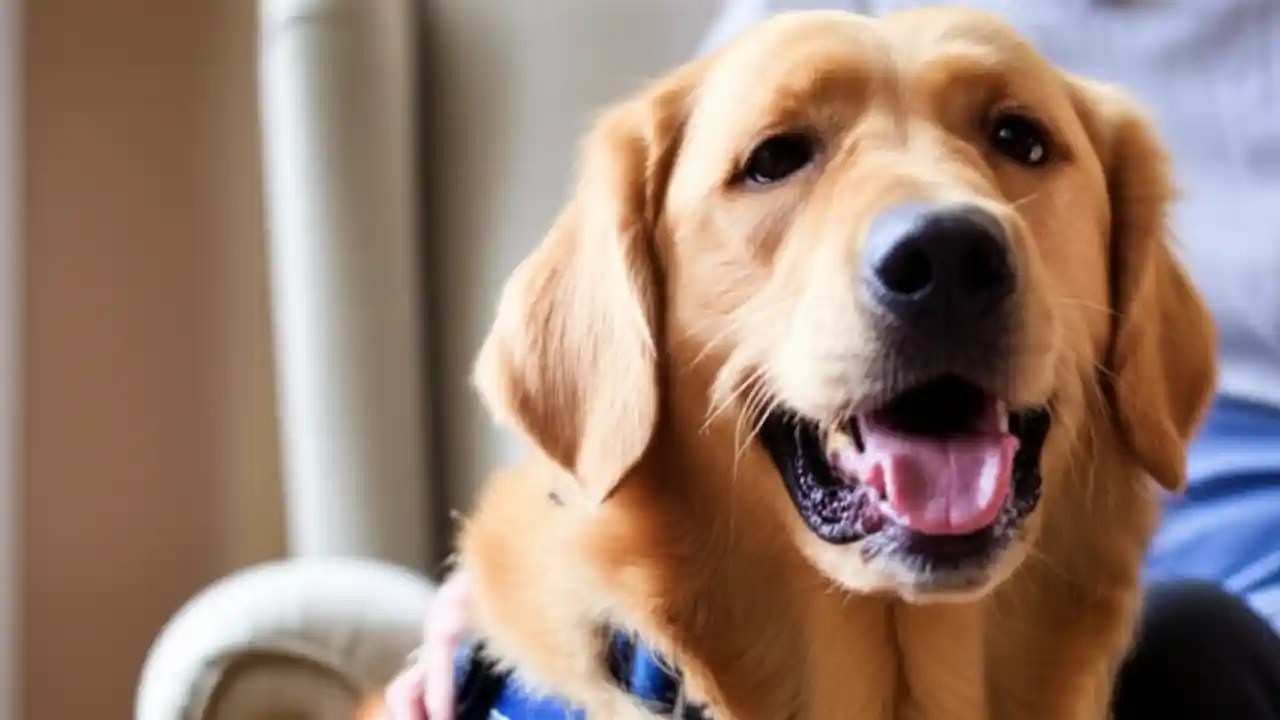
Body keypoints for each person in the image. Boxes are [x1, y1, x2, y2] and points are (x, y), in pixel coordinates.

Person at [388, 2, 1280, 717]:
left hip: (1209, 580)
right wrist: (500, 605)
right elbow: (591, 378)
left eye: (1016, 141)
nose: (940, 229)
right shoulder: (793, 28)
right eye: (778, 159)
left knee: (1197, 648)